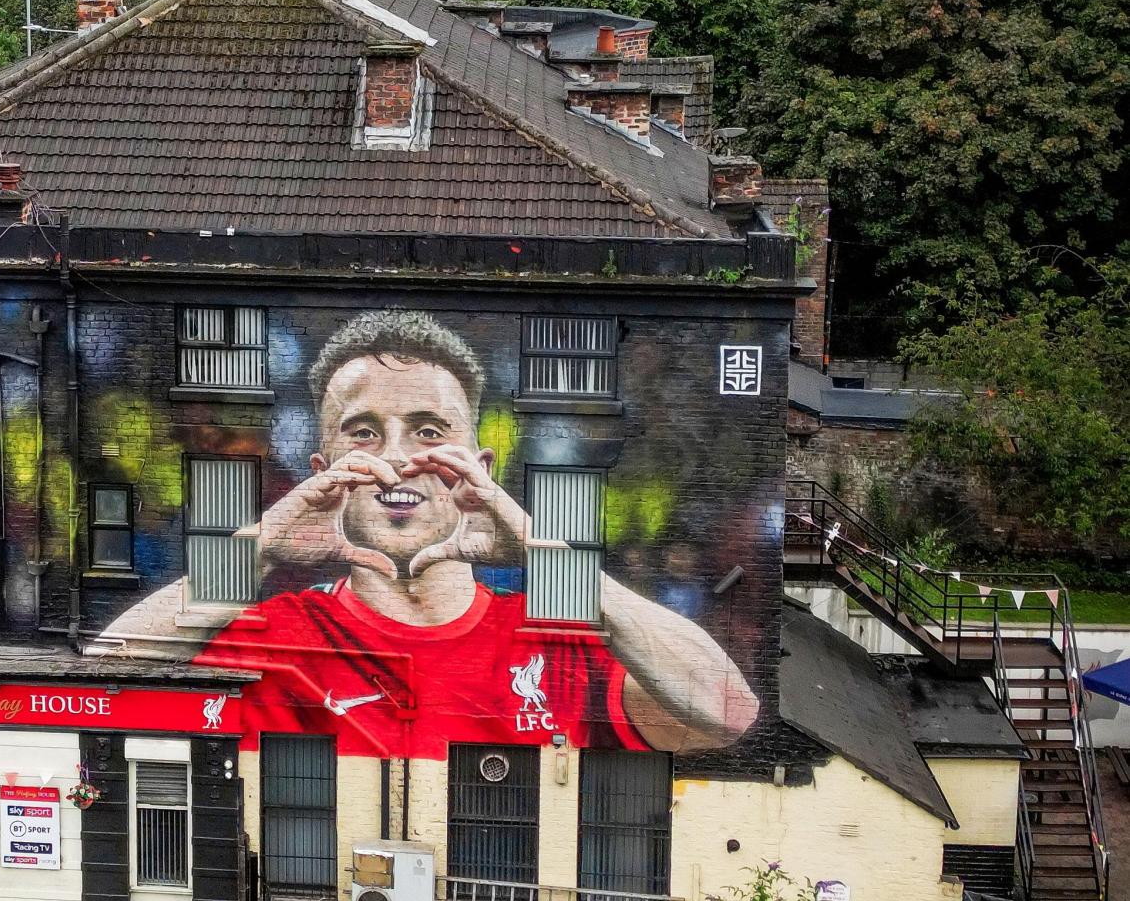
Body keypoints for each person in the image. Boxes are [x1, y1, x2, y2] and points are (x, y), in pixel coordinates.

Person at [90, 311, 758, 757]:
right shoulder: (272, 637)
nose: (397, 460)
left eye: (430, 432)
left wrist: (546, 560)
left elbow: (728, 712)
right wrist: (259, 548)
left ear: (480, 469)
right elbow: (86, 694)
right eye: (364, 434)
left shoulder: (560, 641)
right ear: (325, 473)